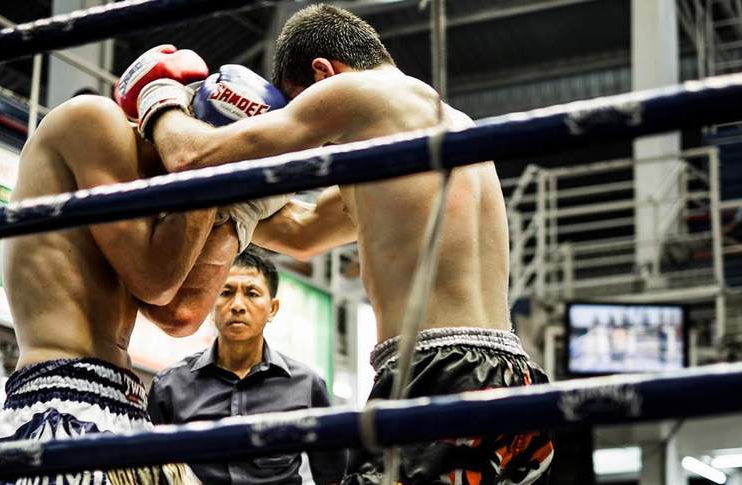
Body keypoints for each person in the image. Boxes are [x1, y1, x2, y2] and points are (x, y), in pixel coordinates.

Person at [117, 5, 554, 484]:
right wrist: (236, 203)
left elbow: (189, 155)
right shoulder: (442, 129)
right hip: (515, 380)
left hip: (438, 374)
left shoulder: (354, 91)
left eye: (298, 107)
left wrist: (159, 98)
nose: (313, 144)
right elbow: (300, 233)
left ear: (323, 73)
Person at [0, 53, 289, 484]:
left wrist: (237, 207)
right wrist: (210, 162)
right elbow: (155, 281)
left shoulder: (162, 201)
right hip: (61, 402)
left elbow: (182, 314)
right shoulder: (91, 119)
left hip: (130, 406)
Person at [149, 249, 347, 485]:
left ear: (272, 309)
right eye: (226, 292)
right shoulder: (169, 387)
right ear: (211, 305)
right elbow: (151, 474)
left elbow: (334, 477)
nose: (238, 305)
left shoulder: (306, 385)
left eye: (252, 293)